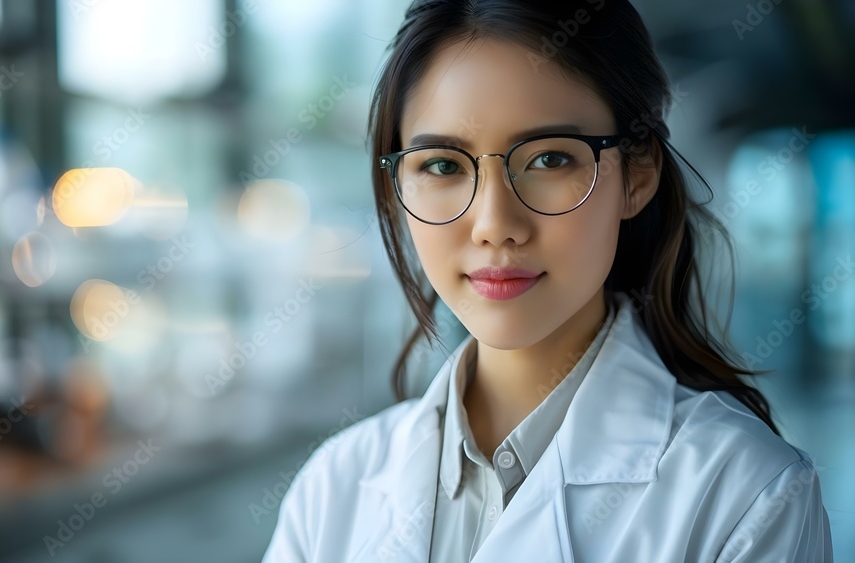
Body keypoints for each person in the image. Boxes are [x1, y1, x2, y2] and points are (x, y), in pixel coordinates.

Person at [262, 1, 834, 561]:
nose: (494, 225)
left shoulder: (745, 497)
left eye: (549, 160)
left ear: (637, 174)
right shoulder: (332, 489)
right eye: (442, 165)